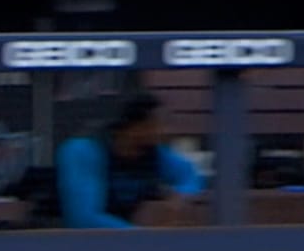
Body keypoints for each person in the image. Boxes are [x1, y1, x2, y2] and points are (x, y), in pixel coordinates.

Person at [57, 92, 203, 230]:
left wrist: (181, 196)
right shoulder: (83, 151)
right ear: (133, 128)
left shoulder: (153, 153)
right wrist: (143, 238)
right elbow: (83, 219)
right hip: (62, 240)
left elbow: (188, 173)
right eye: (156, 124)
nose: (165, 131)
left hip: (123, 239)